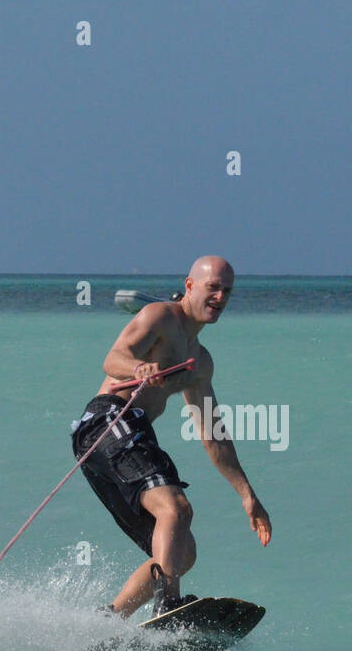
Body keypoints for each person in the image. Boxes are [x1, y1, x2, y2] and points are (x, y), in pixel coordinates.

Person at [70, 255, 271, 618]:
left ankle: (109, 620)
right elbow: (113, 359)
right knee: (176, 508)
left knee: (182, 552)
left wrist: (247, 495)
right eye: (213, 288)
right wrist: (138, 368)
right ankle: (169, 605)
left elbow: (212, 432)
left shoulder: (200, 362)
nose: (220, 297)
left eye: (227, 291)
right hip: (105, 421)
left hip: (131, 434)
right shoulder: (159, 317)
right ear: (190, 286)